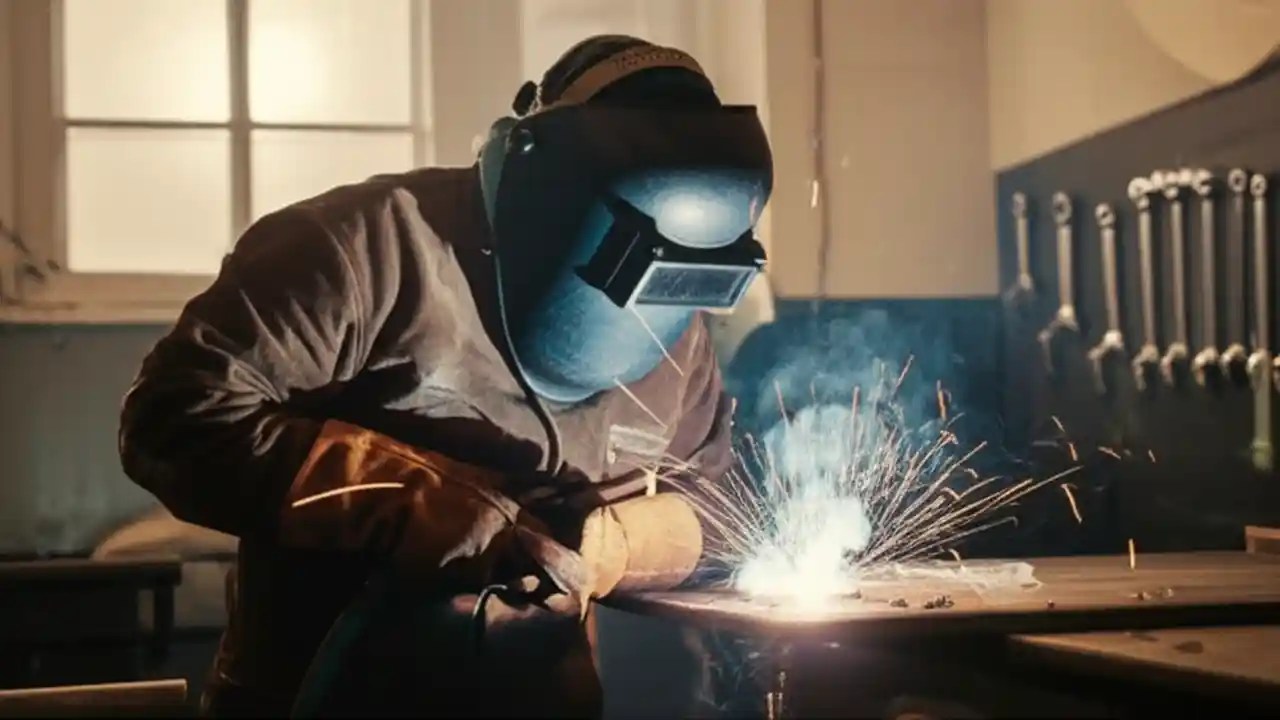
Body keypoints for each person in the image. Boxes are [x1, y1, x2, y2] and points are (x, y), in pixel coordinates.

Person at [118, 34, 773, 718]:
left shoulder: (678, 315)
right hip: (313, 698)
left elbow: (715, 506)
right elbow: (174, 416)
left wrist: (625, 544)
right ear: (544, 189)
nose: (660, 303)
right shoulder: (364, 250)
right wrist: (416, 503)